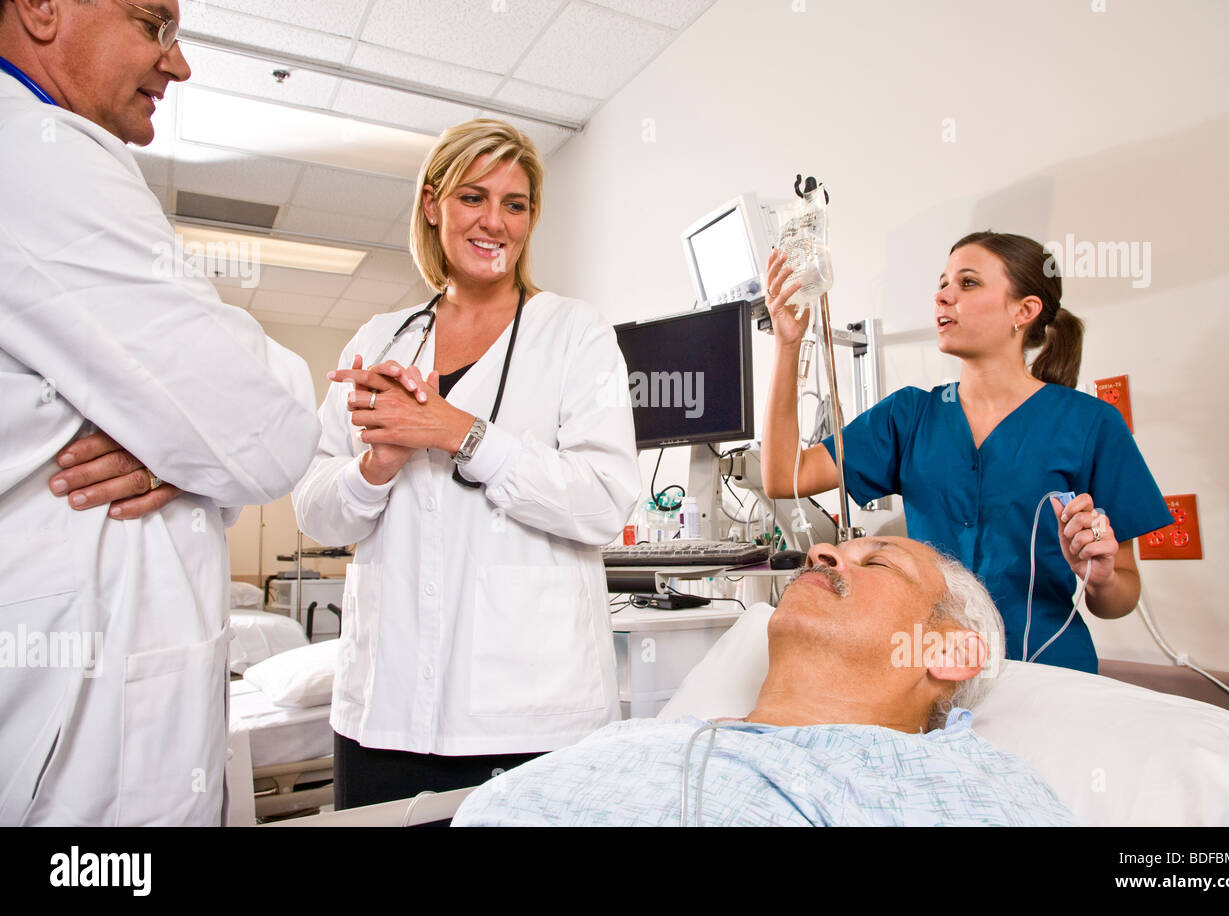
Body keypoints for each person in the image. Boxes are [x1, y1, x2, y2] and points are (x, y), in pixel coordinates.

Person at [0, 0, 321, 825]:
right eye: (156, 25)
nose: (177, 65)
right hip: (76, 771)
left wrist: (182, 443)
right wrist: (205, 436)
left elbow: (223, 421)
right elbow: (273, 427)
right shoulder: (36, 156)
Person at [292, 118, 640, 808]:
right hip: (382, 710)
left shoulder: (574, 333)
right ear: (432, 204)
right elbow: (314, 509)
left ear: (532, 218)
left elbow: (603, 502)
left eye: (515, 204)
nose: (495, 222)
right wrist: (379, 463)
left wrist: (463, 435)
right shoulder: (381, 336)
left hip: (527, 714)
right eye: (472, 198)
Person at [453, 535, 1077, 826]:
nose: (824, 552)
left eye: (878, 560)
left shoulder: (958, 786)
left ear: (949, 652)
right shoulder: (634, 739)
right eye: (836, 548)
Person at [761, 231, 1172, 673]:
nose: (943, 296)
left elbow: (1120, 600)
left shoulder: (1092, 424)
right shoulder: (909, 415)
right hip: (925, 670)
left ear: (1024, 311)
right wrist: (787, 344)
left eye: (968, 283)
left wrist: (1100, 575)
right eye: (942, 283)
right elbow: (785, 477)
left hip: (1045, 670)